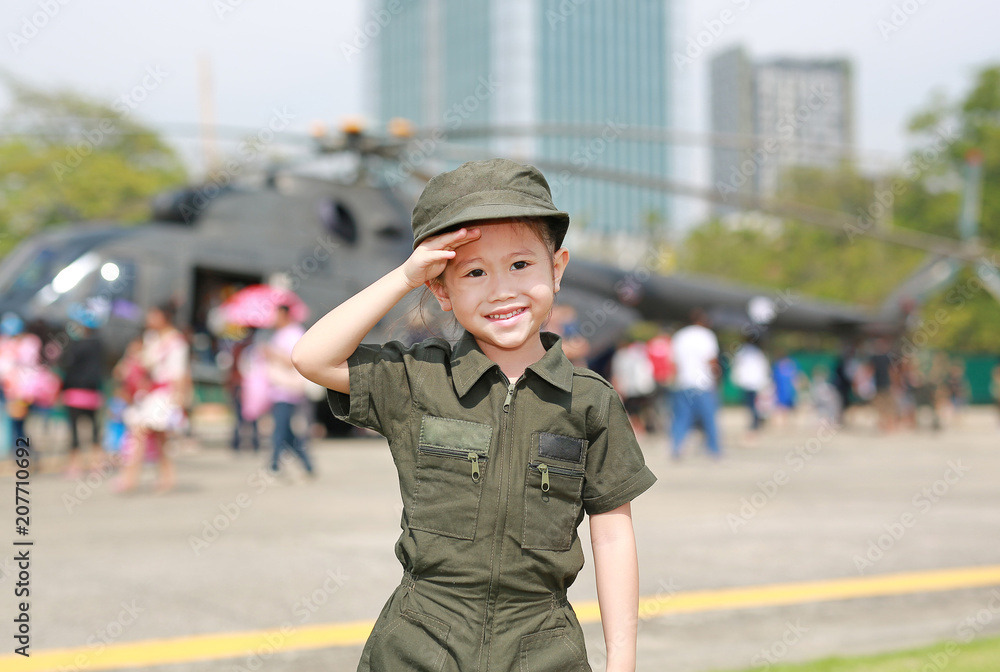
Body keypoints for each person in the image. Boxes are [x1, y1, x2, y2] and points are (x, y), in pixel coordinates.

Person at [291, 158, 656, 672]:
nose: (502, 289)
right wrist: (403, 276)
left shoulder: (590, 401)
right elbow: (312, 358)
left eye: (521, 265)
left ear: (558, 267)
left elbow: (614, 535)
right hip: (418, 643)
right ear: (442, 289)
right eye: (474, 272)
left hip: (543, 648)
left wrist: (623, 665)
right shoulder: (416, 380)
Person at [117, 304, 189, 494]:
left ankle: (130, 477)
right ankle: (166, 477)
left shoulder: (176, 342)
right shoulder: (152, 338)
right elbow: (145, 365)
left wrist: (179, 399)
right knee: (158, 438)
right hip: (150, 393)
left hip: (165, 394)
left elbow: (179, 373)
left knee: (141, 432)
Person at [266, 304, 314, 476]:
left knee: (280, 431)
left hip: (289, 391)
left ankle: (274, 466)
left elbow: (296, 361)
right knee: (285, 433)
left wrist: (272, 354)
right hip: (278, 390)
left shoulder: (294, 334)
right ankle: (307, 465)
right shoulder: (278, 334)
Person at [669, 308, 721, 459]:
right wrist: (716, 378)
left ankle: (677, 447)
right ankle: (713, 450)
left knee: (681, 417)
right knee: (709, 418)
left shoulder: (680, 335)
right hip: (703, 384)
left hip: (683, 382)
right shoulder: (706, 335)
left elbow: (674, 362)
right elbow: (711, 360)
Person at [59, 317, 106, 477]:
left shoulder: (74, 346)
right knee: (94, 429)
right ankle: (96, 463)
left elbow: (67, 367)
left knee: (74, 431)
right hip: (92, 392)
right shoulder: (98, 345)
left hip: (74, 392)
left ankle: (74, 466)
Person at [730, 337, 770, 442]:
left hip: (749, 383)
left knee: (752, 406)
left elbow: (738, 366)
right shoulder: (757, 353)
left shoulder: (745, 351)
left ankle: (754, 426)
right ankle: (755, 425)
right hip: (754, 383)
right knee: (754, 405)